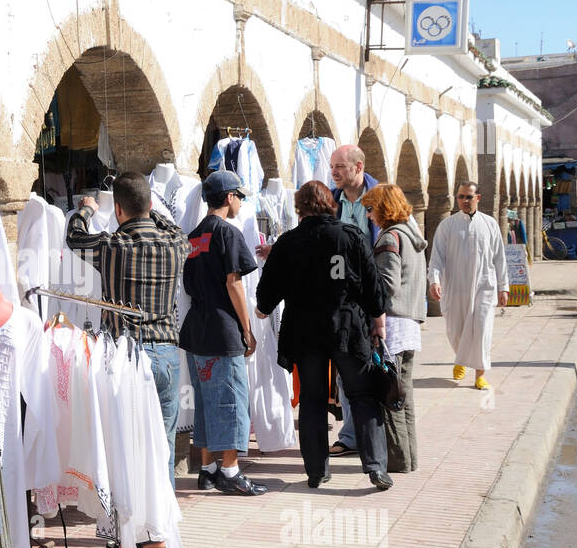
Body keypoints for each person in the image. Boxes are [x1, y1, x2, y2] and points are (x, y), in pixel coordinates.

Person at [255, 181, 392, 490]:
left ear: (299, 207)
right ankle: (375, 467)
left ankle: (316, 470)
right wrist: (377, 323)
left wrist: (263, 310)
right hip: (347, 328)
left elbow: (267, 294)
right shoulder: (351, 236)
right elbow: (374, 290)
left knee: (313, 400)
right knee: (362, 395)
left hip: (305, 333)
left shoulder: (288, 244)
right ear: (332, 204)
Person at [67, 171, 191, 510]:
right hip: (165, 354)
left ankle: (131, 521)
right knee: (161, 443)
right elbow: (178, 232)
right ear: (150, 205)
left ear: (118, 210)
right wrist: (151, 211)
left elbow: (74, 237)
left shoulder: (110, 247)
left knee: (125, 445)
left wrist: (87, 208)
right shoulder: (175, 245)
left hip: (127, 356)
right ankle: (160, 520)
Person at [179, 170, 265, 497]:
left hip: (197, 330)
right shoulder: (228, 232)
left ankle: (208, 469)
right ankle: (230, 471)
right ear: (229, 197)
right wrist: (247, 330)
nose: (241, 202)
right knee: (230, 401)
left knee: (205, 403)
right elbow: (234, 283)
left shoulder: (194, 236)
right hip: (222, 331)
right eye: (239, 196)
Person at [361, 184, 427, 475]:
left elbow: (387, 285)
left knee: (391, 395)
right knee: (404, 394)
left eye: (371, 208)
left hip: (394, 323)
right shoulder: (412, 235)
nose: (369, 214)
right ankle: (409, 458)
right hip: (410, 321)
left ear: (383, 208)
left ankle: (398, 460)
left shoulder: (391, 237)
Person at [326, 143, 381, 458]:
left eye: (340, 166)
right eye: (332, 166)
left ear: (358, 167)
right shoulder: (331, 201)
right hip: (340, 298)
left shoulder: (379, 198)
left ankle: (375, 436)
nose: (334, 172)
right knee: (346, 366)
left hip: (370, 295)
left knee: (374, 368)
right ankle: (351, 435)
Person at [428, 182, 509, 391]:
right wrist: (434, 281)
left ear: (478, 198)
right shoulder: (447, 226)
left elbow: (499, 257)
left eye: (469, 197)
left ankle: (480, 374)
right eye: (461, 197)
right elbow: (436, 257)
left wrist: (504, 286)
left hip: (484, 285)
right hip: (455, 286)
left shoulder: (490, 224)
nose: (464, 201)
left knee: (482, 329)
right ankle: (461, 358)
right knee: (456, 330)